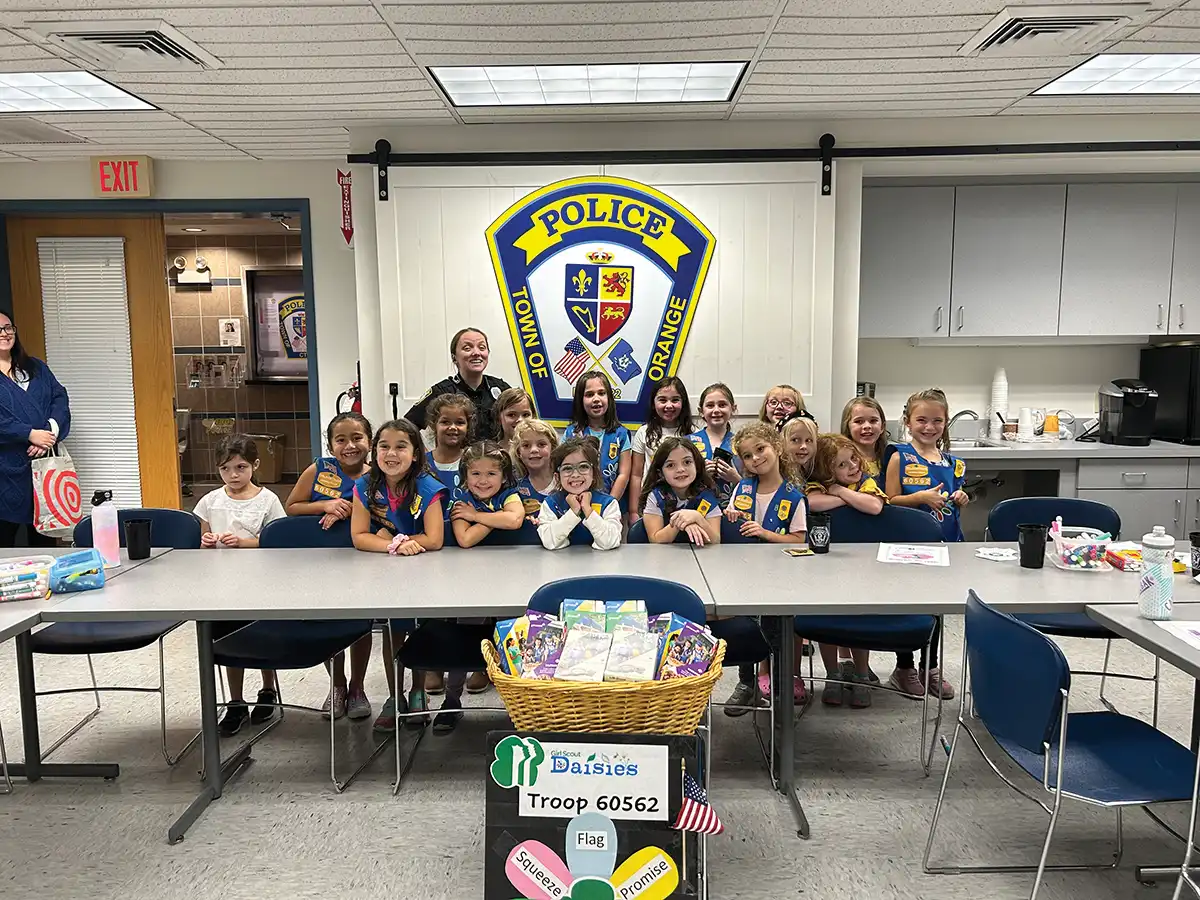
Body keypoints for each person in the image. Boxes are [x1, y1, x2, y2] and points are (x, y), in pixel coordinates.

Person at [350, 418, 447, 733]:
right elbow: (359, 536)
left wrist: (398, 540)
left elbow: (433, 539)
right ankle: (395, 696)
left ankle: (418, 691)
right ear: (375, 452)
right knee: (392, 632)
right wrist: (394, 544)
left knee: (417, 631)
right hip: (386, 571)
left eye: (401, 446)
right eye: (384, 446)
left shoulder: (428, 487)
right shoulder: (365, 486)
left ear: (416, 454)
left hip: (424, 573)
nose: (391, 453)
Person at [194, 435, 287, 737]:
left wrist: (245, 543)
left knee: (261, 637)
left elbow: (276, 541)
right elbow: (202, 537)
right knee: (229, 639)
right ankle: (235, 701)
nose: (233, 476)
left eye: (240, 467)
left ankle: (267, 690)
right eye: (225, 469)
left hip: (259, 581)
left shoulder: (267, 499)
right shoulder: (210, 501)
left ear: (255, 465)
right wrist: (207, 542)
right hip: (222, 585)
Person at [284, 412, 375, 721]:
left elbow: (384, 512)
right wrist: (324, 505)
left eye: (357, 438)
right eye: (341, 440)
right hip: (321, 562)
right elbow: (292, 507)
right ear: (331, 445)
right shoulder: (318, 470)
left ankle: (358, 687)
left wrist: (349, 511)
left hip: (361, 559)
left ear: (369, 441)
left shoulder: (377, 474)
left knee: (360, 624)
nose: (350, 445)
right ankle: (336, 685)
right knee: (329, 623)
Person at [436, 440, 526, 732]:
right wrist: (495, 519)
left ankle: (517, 707)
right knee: (466, 636)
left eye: (491, 474)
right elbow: (465, 539)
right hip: (471, 583)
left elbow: (514, 520)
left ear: (503, 477)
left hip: (512, 580)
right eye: (476, 474)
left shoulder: (509, 494)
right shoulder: (459, 498)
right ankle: (451, 700)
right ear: (465, 475)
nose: (483, 481)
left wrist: (476, 516)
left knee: (512, 640)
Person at [884, 388, 965, 701]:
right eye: (921, 420)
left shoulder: (954, 463)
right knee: (908, 605)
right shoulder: (898, 457)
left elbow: (956, 502)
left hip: (946, 544)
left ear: (945, 424)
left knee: (937, 608)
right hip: (907, 544)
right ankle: (903, 667)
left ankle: (929, 667)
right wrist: (918, 497)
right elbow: (889, 500)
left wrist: (962, 498)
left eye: (937, 421)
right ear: (908, 421)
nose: (929, 427)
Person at [724, 422, 808, 706]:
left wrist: (765, 533)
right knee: (746, 626)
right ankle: (746, 683)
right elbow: (731, 518)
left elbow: (799, 540)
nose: (755, 458)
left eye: (760, 449)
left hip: (779, 578)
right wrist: (731, 516)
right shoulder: (743, 488)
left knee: (774, 631)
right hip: (745, 573)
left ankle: (781, 683)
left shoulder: (794, 497)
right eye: (747, 455)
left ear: (777, 448)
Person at [806, 434, 887, 708]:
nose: (853, 466)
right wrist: (850, 499)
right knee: (827, 619)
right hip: (826, 567)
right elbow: (811, 503)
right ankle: (833, 674)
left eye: (854, 458)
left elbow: (875, 506)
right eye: (842, 465)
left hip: (860, 568)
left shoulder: (866, 482)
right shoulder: (818, 485)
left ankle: (862, 674)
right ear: (827, 470)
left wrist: (841, 493)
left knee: (857, 618)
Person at [0, 311, 70, 547]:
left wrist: (48, 434)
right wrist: (30, 434)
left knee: (45, 539)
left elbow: (59, 398)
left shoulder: (36, 367)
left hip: (44, 470)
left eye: (8, 327)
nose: (4, 333)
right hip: (5, 473)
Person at [406, 328, 511, 439]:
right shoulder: (441, 391)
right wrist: (424, 454)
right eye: (467, 348)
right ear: (454, 357)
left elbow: (525, 423)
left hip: (494, 455)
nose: (476, 353)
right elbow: (406, 427)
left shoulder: (501, 389)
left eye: (482, 347)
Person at [536, 436, 622, 551]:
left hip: (600, 566)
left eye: (583, 467)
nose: (575, 474)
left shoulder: (608, 503)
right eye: (567, 468)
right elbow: (549, 542)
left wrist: (587, 509)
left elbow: (610, 542)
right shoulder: (550, 504)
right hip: (560, 565)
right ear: (557, 477)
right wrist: (573, 511)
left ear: (594, 473)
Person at [563, 370, 630, 514]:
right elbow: (563, 470)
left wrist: (610, 503)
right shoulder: (571, 433)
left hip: (612, 504)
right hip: (577, 505)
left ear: (610, 398)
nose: (596, 399)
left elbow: (624, 474)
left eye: (601, 393)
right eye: (589, 394)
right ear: (580, 400)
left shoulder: (621, 434)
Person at [629, 377, 693, 521]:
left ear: (683, 403)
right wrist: (633, 511)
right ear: (653, 403)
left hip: (685, 504)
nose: (669, 405)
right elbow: (636, 475)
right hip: (650, 503)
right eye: (662, 400)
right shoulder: (643, 433)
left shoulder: (694, 434)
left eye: (675, 400)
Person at [638, 436, 720, 546]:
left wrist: (697, 518)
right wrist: (682, 522)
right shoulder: (656, 496)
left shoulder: (707, 495)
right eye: (671, 465)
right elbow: (655, 539)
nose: (681, 469)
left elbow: (715, 540)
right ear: (660, 473)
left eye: (687, 462)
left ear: (697, 465)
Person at [689, 382, 741, 506]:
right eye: (710, 405)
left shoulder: (742, 443)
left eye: (722, 405)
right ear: (701, 411)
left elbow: (755, 484)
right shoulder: (688, 443)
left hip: (732, 512)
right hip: (695, 511)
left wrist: (736, 479)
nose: (716, 410)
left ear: (733, 408)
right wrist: (700, 475)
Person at [424, 392, 475, 509]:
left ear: (468, 426)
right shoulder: (422, 464)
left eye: (460, 422)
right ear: (433, 424)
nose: (452, 427)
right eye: (445, 422)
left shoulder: (475, 461)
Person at [511, 418, 559, 521]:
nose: (534, 450)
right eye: (526, 445)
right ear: (518, 452)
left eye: (541, 444)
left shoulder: (566, 481)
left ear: (553, 448)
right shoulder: (515, 487)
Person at [841, 396, 888, 478]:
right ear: (847, 427)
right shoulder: (841, 461)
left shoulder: (890, 459)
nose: (867, 426)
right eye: (859, 421)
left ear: (882, 427)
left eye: (873, 421)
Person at [782, 415, 819, 488]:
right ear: (782, 442)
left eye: (808, 440)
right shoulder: (778, 475)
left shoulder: (816, 471)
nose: (804, 446)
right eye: (795, 440)